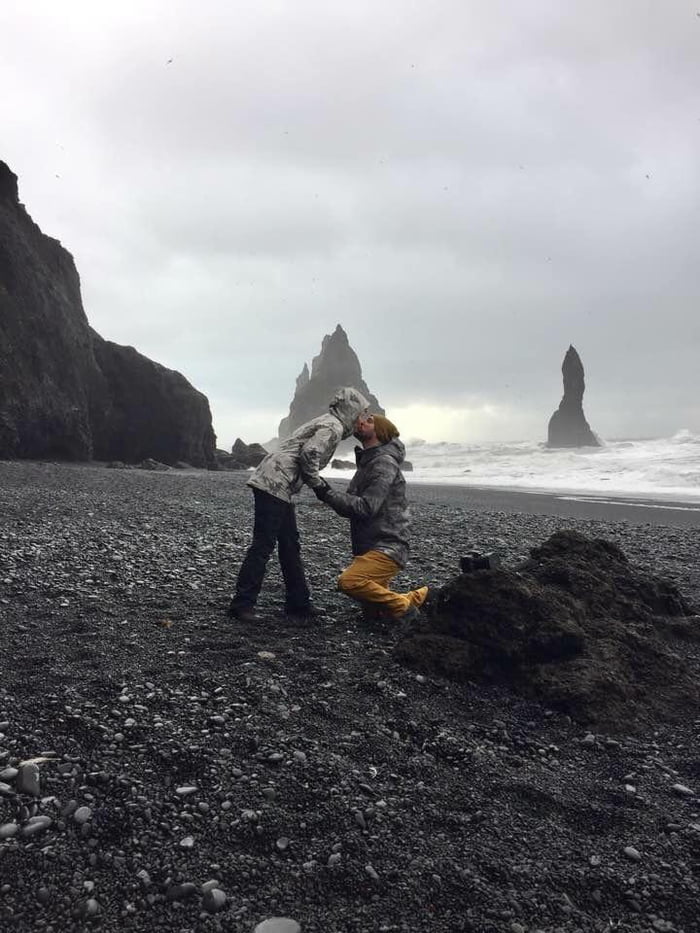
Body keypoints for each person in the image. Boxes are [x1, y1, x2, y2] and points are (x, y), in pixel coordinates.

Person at [229, 386, 370, 623]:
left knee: (289, 544)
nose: (363, 419)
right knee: (264, 545)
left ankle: (298, 603)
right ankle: (242, 605)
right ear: (351, 409)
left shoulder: (328, 421)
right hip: (275, 483)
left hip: (275, 481)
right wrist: (318, 484)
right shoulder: (333, 427)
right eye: (361, 412)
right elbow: (310, 452)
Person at [312, 412, 428, 621]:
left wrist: (325, 492)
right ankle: (422, 596)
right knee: (376, 615)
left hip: (387, 546)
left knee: (349, 582)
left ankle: (405, 606)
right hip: (368, 546)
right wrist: (326, 492)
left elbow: (366, 507)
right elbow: (351, 506)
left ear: (381, 431)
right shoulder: (368, 463)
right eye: (362, 419)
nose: (362, 421)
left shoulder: (383, 463)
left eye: (370, 420)